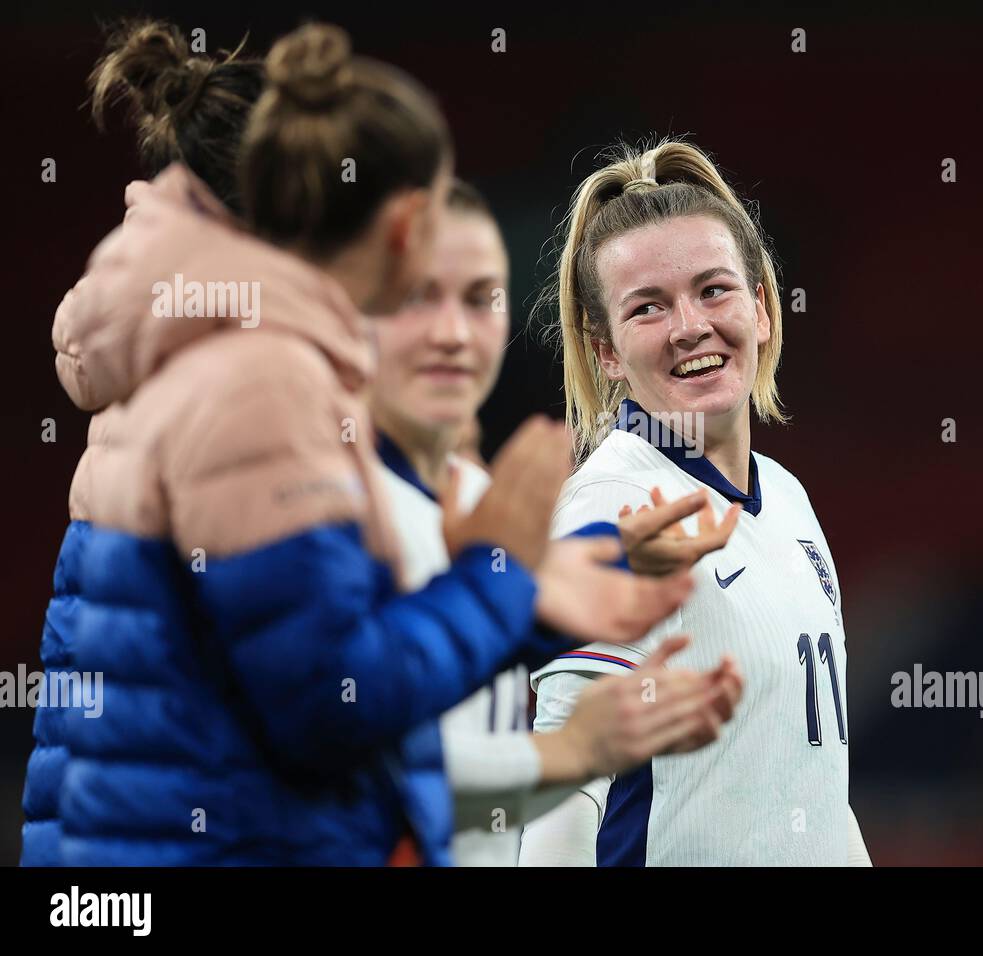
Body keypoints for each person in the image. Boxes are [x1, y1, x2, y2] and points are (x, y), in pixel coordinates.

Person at [22, 22, 690, 867]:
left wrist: (535, 592)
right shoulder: (262, 379)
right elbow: (327, 705)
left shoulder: (208, 352)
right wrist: (506, 592)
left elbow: (277, 660)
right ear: (404, 219)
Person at [520, 139, 873, 866]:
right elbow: (562, 792)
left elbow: (816, 790)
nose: (690, 326)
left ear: (763, 308)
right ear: (606, 350)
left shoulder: (789, 500)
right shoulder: (614, 505)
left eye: (713, 290)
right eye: (648, 307)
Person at [372, 179, 743, 865]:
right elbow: (325, 771)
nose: (455, 332)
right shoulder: (294, 502)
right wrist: (570, 751)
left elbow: (444, 768)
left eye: (480, 297)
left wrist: (552, 592)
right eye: (420, 298)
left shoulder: (481, 503)